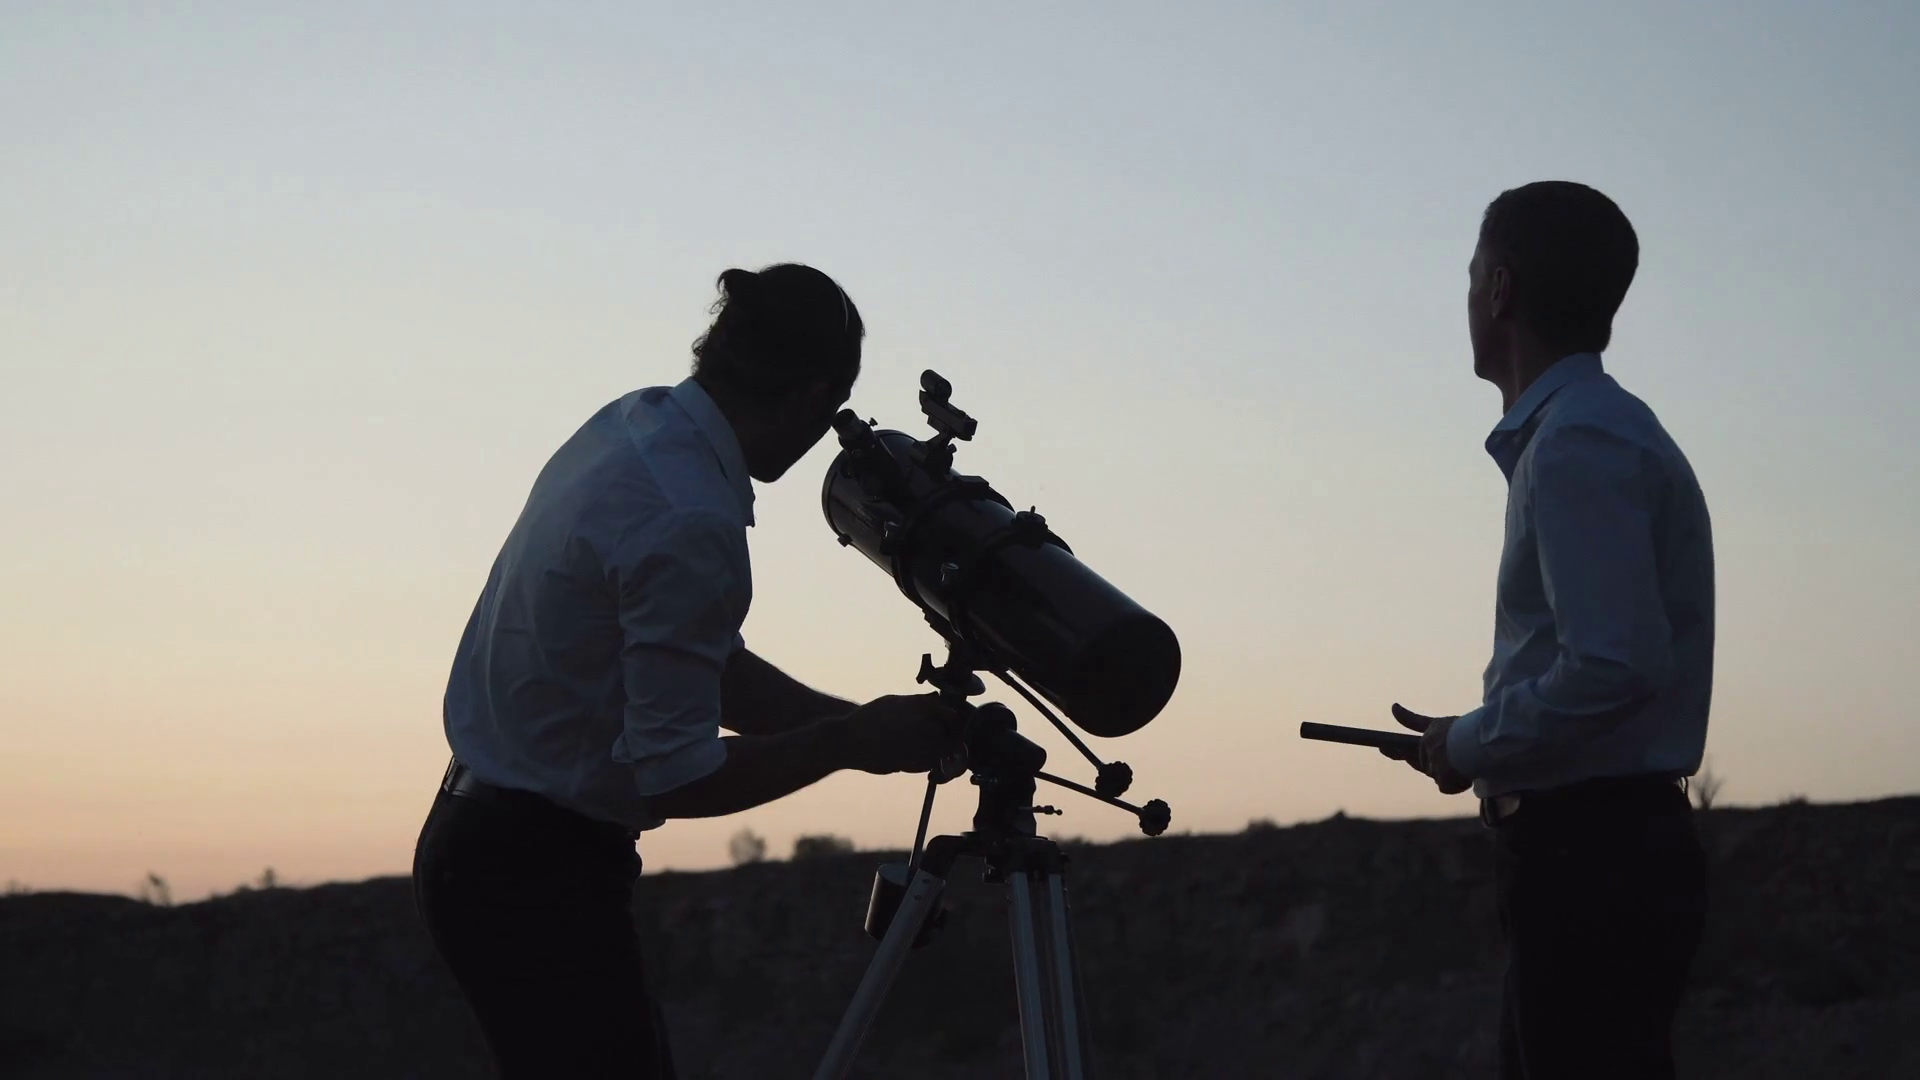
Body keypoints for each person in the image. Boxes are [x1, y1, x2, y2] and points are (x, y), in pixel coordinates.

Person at [412, 263, 961, 1079]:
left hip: (484, 846)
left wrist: (862, 729)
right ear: (814, 398)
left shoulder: (636, 427)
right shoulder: (690, 516)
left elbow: (702, 664)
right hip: (534, 876)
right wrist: (847, 740)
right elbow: (673, 776)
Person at [1384, 181, 1714, 1079]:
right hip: (1594, 855)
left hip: (1590, 861)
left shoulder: (1575, 444)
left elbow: (1613, 664)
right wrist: (1471, 740)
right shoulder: (1595, 433)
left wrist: (1473, 741)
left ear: (1499, 289)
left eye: (1470, 278)